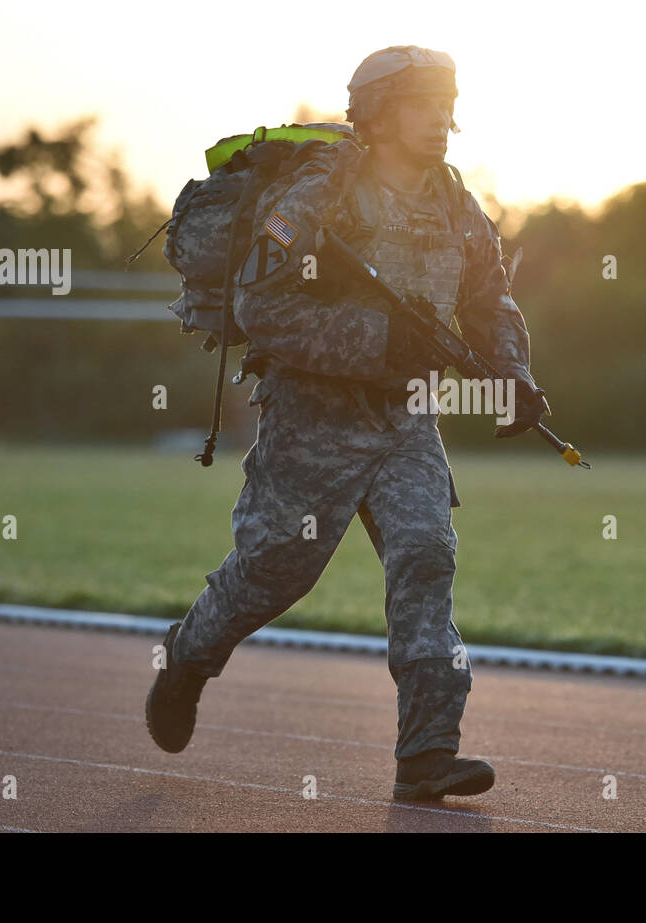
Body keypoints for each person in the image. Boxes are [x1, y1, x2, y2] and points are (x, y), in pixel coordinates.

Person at [145, 45, 549, 801]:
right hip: (313, 424)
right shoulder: (321, 191)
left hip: (405, 422)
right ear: (381, 112)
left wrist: (515, 374)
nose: (443, 119)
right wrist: (379, 341)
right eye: (425, 104)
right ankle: (187, 655)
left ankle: (427, 750)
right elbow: (259, 306)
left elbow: (489, 297)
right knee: (272, 573)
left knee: (426, 553)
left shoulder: (452, 197)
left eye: (447, 103)